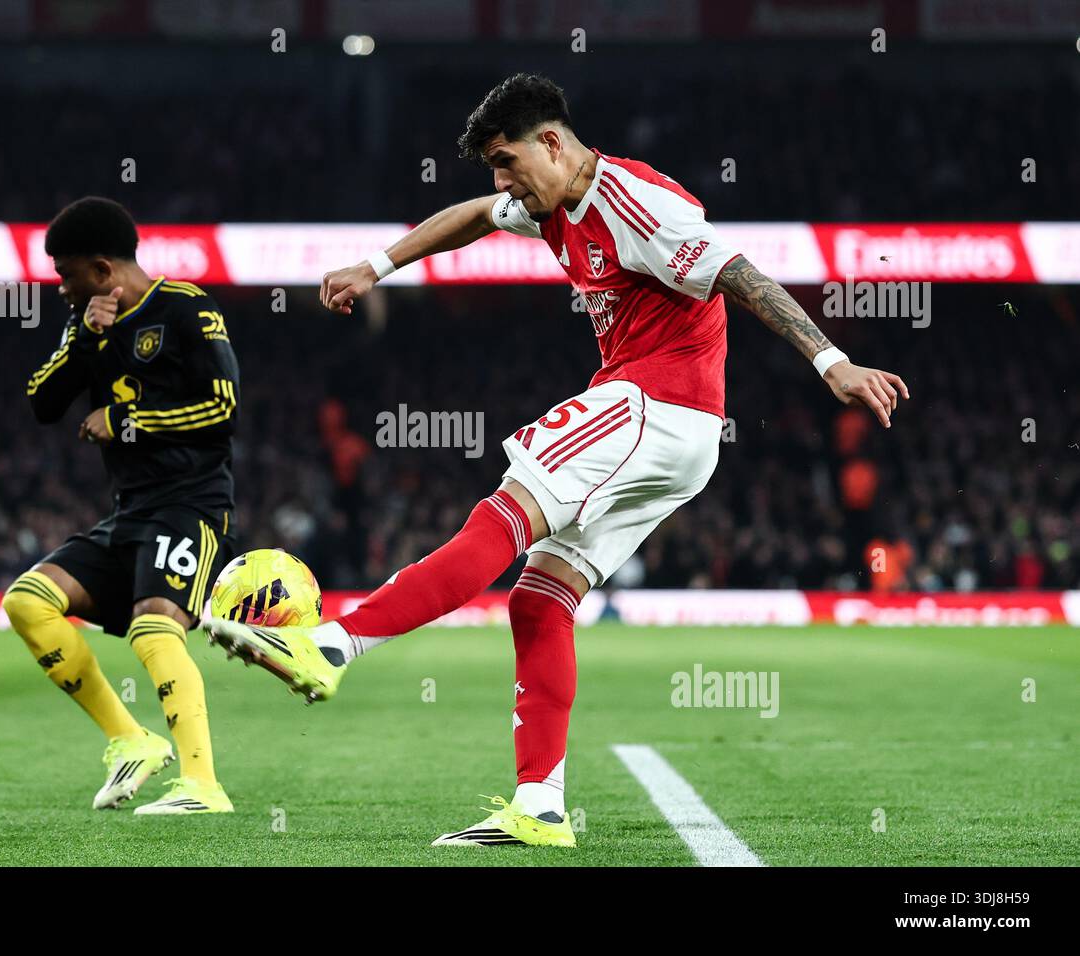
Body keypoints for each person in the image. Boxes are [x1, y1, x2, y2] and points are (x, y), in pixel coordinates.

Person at [207, 74, 909, 846]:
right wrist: (378, 264)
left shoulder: (636, 203)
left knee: (504, 511)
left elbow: (741, 274)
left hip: (654, 404)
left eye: (507, 162)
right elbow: (473, 216)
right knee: (540, 598)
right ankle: (540, 808)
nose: (502, 184)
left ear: (552, 142)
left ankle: (333, 646)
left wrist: (831, 361)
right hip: (678, 434)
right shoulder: (547, 199)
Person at [3, 196, 240, 814]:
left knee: (154, 625)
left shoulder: (188, 309)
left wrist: (128, 419)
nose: (61, 288)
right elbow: (40, 402)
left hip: (190, 503)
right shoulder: (88, 323)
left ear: (103, 269)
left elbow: (223, 408)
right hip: (129, 510)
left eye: (67, 274)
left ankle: (201, 787)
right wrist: (85, 342)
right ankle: (131, 739)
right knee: (27, 601)